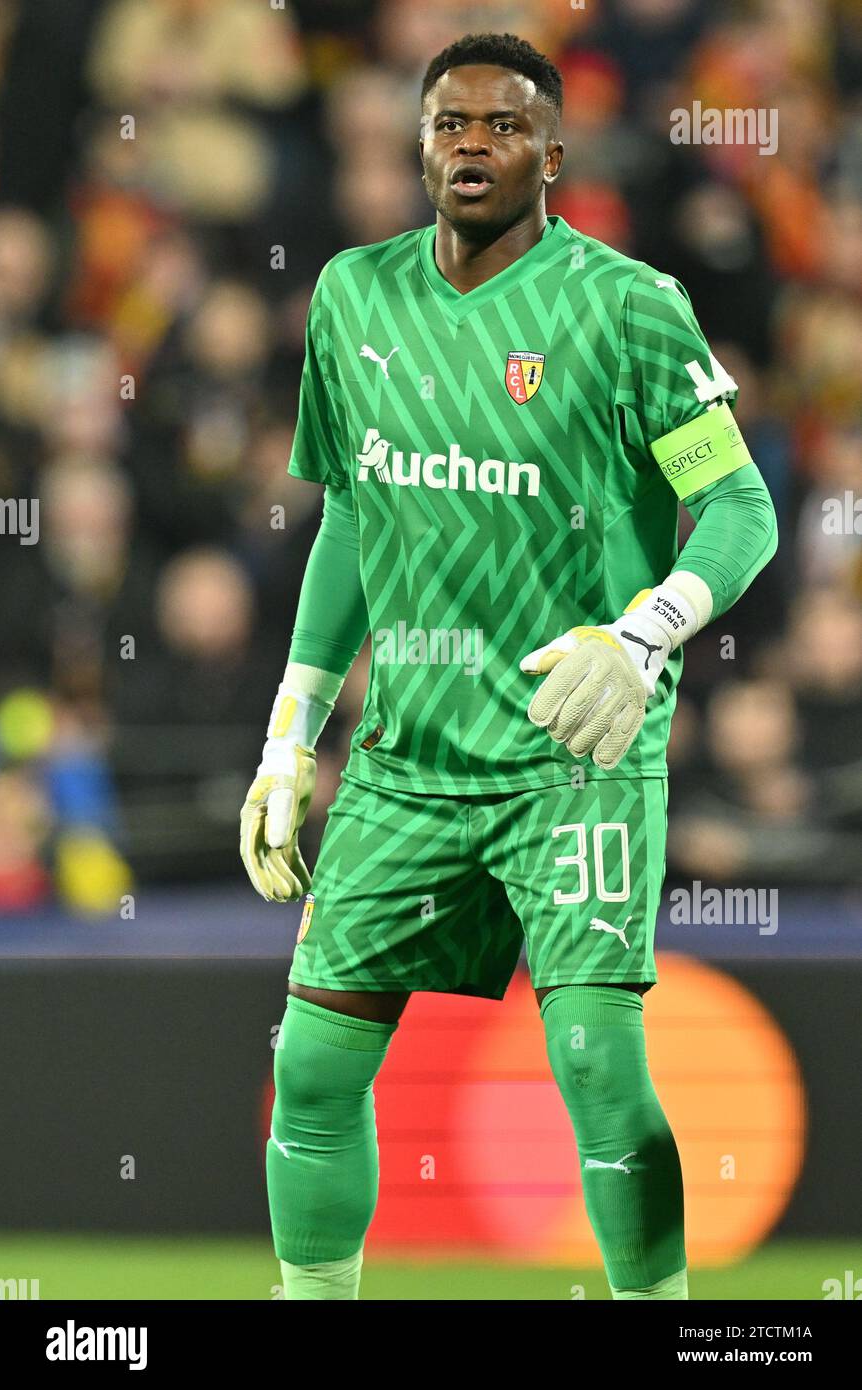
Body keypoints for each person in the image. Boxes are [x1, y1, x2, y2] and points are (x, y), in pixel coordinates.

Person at [240, 31, 778, 1301]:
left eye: (499, 125)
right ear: (415, 145)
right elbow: (354, 518)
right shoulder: (351, 296)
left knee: (597, 1069)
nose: (469, 146)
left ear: (552, 152)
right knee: (311, 1068)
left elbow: (743, 510)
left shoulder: (628, 305)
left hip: (572, 756)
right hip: (408, 762)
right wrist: (289, 728)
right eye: (447, 125)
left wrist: (643, 633)